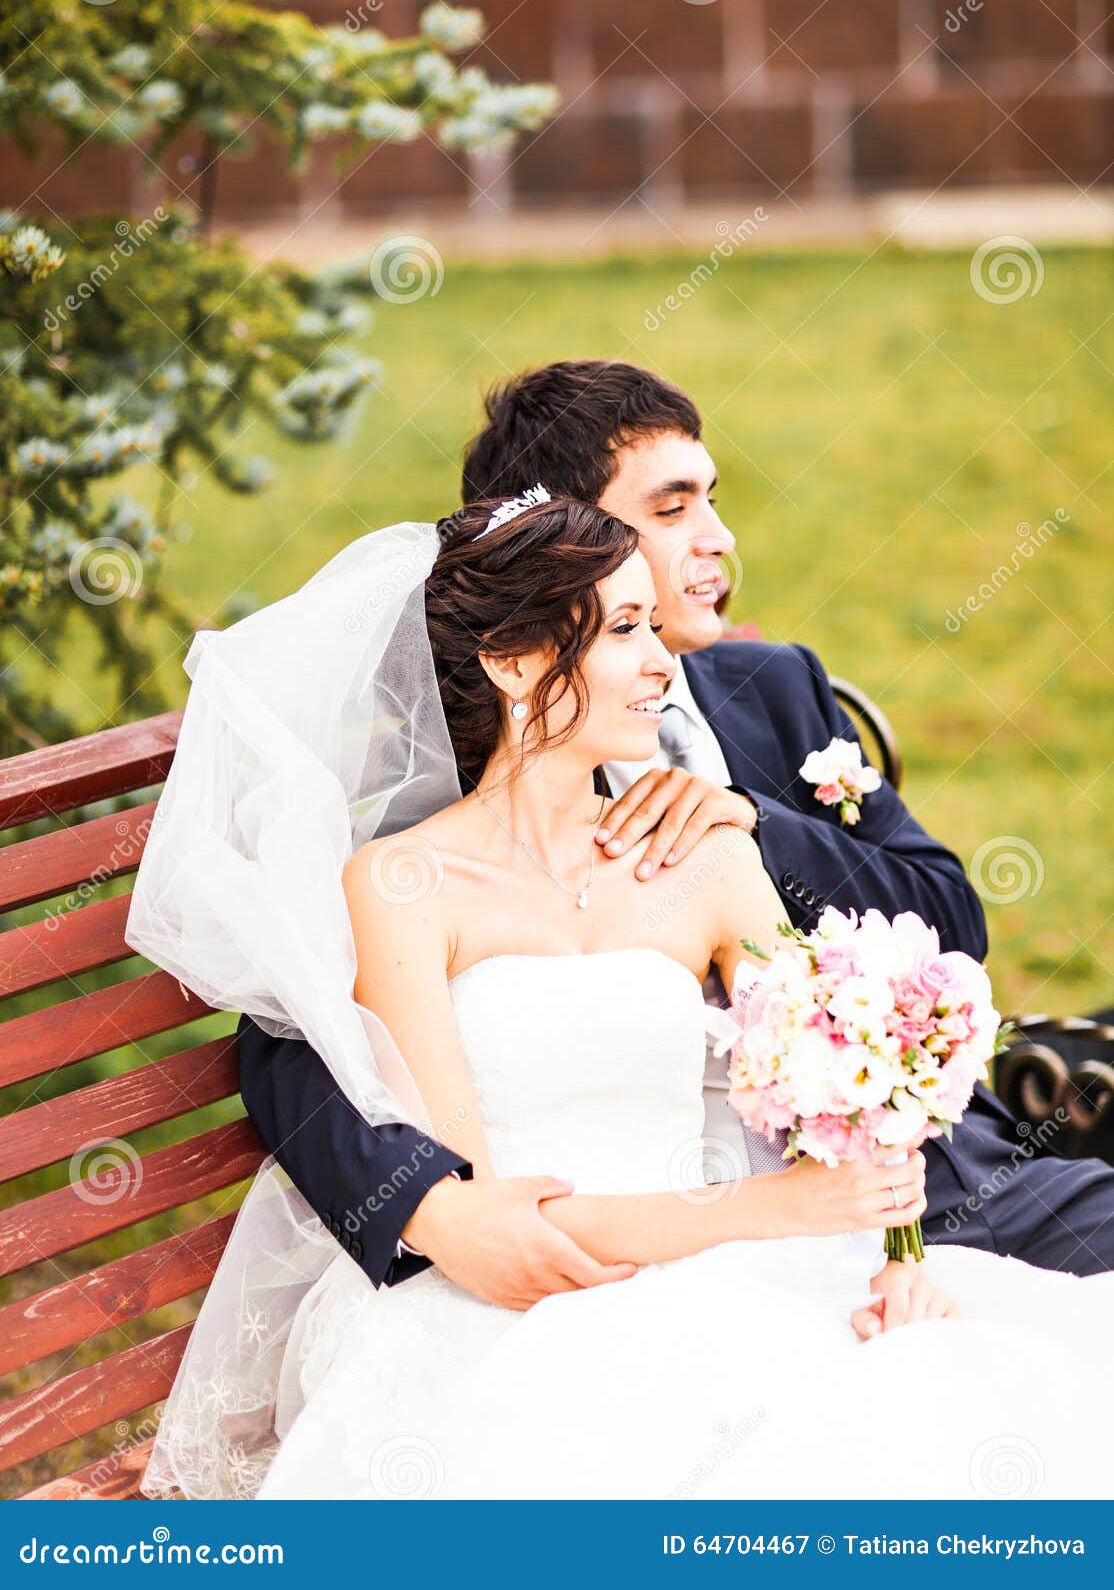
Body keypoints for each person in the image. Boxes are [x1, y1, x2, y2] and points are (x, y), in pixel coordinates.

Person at [237, 494, 1109, 1500]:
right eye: (622, 629)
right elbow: (482, 1216)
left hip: (754, 1272)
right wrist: (767, 1209)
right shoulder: (403, 885)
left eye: (654, 624)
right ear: (511, 662)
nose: (661, 661)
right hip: (529, 1310)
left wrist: (897, 1255)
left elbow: (841, 1089)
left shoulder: (707, 861)